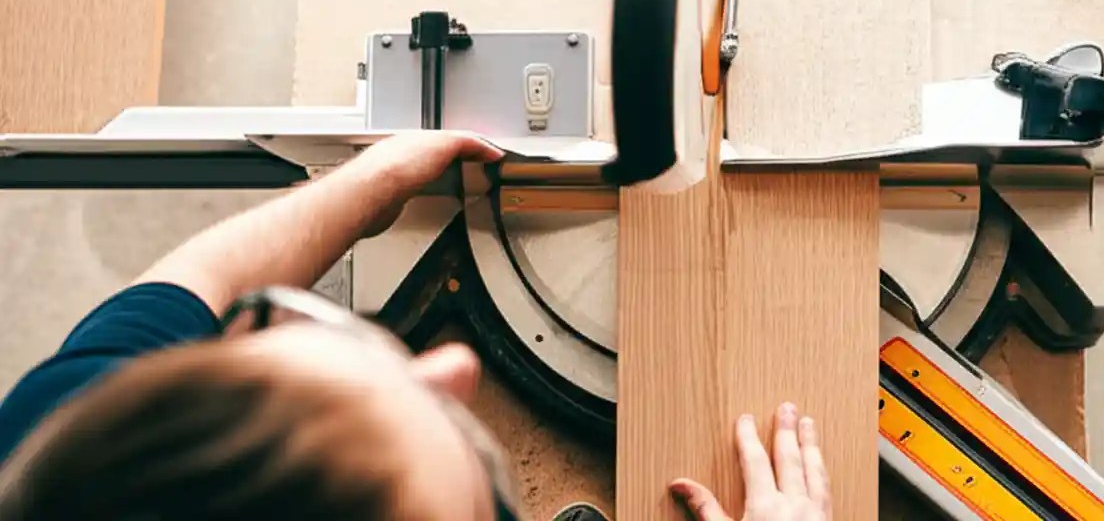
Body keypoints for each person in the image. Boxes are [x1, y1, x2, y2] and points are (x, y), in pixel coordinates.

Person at [0, 132, 831, 520]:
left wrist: (373, 184)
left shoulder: (70, 441)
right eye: (477, 507)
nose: (457, 369)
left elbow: (201, 282)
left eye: (338, 344)